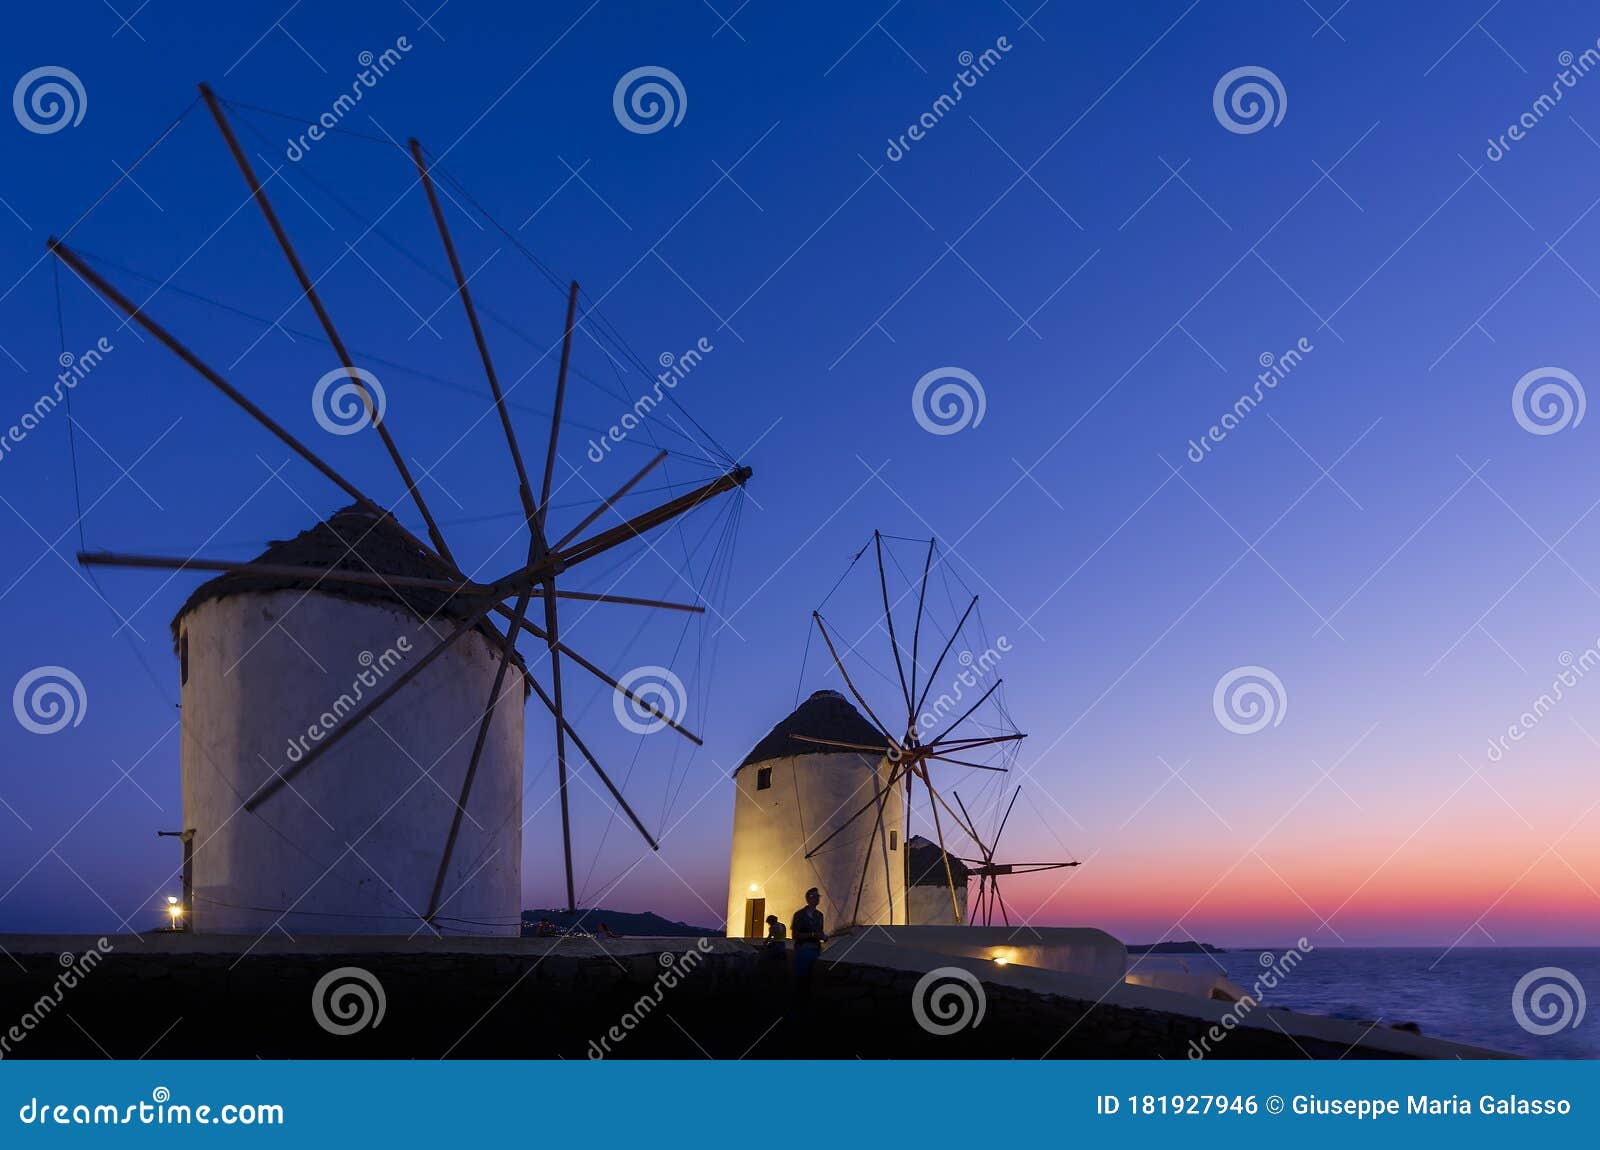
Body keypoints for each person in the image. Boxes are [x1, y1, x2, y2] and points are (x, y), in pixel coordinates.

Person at [790, 888, 826, 1010]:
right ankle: (798, 1006)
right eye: (815, 896)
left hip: (816, 950)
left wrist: (823, 937)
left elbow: (820, 931)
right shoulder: (799, 915)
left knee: (813, 979)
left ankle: (809, 1006)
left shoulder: (820, 915)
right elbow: (795, 935)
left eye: (818, 896)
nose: (817, 898)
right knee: (801, 978)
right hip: (803, 950)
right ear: (808, 898)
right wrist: (812, 935)